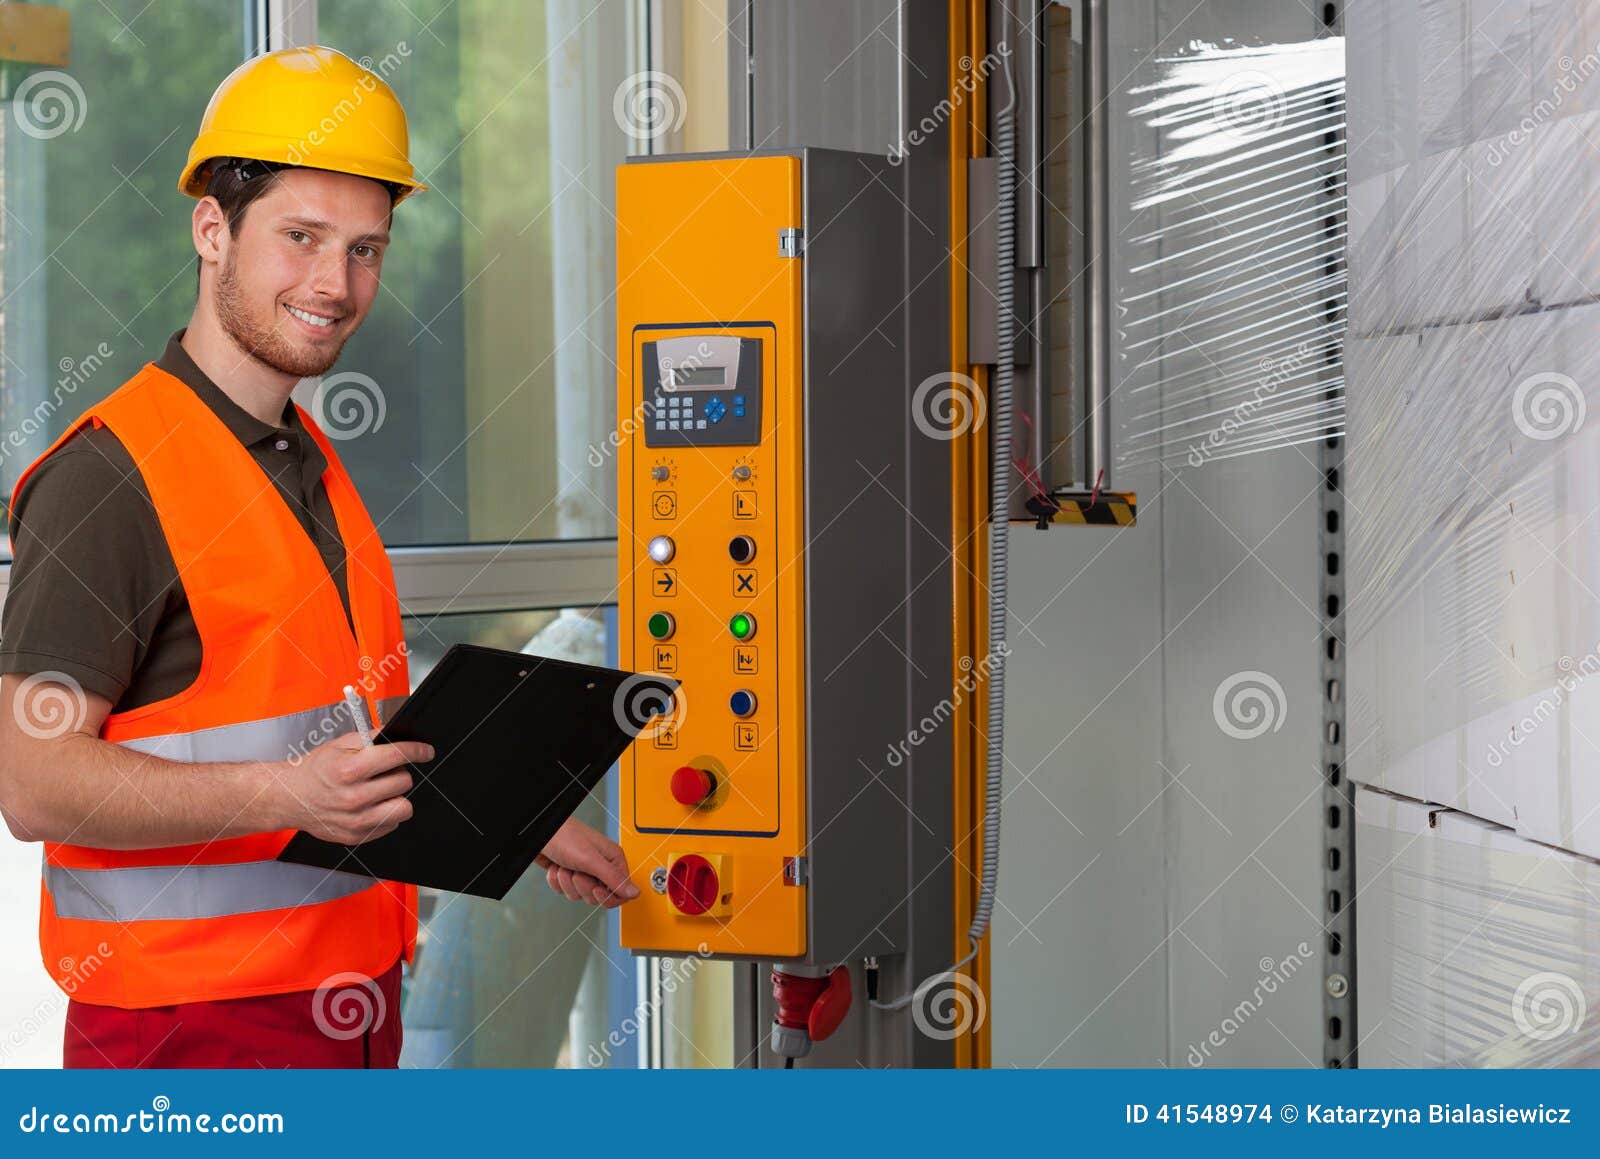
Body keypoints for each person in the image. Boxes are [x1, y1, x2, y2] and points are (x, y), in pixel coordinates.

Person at [0, 45, 637, 1069]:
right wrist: (283, 796)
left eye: (364, 249)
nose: (334, 284)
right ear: (212, 229)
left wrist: (506, 817)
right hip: (185, 1041)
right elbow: (31, 778)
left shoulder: (307, 464)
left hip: (349, 1010)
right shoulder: (109, 480)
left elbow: (333, 729)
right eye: (300, 237)